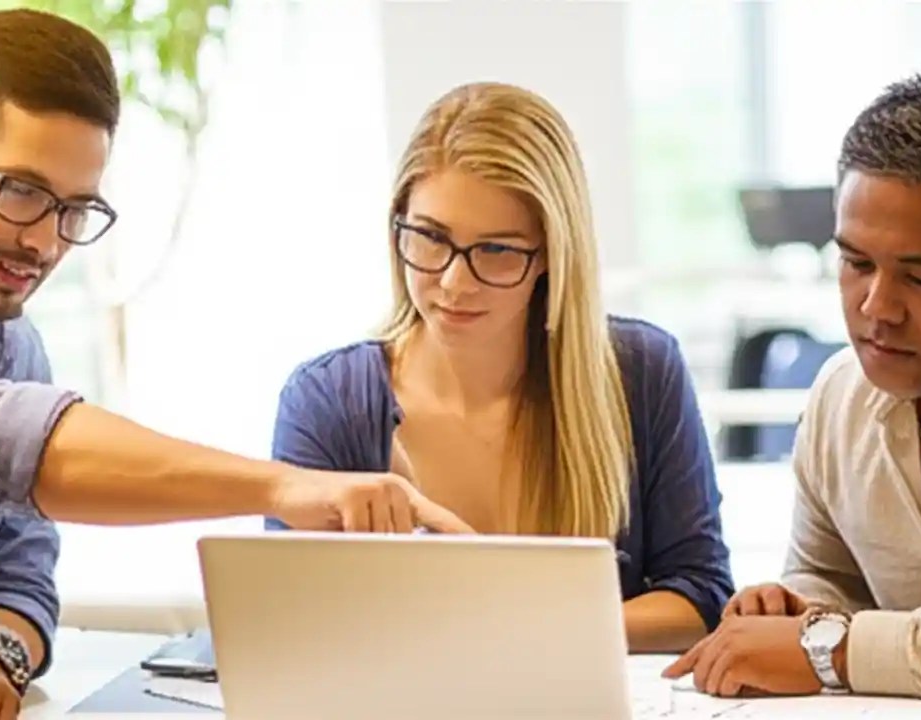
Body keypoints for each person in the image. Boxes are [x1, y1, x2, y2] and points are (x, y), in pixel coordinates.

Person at [0, 10, 466, 720]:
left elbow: (18, 563)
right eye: (20, 191)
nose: (44, 243)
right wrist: (287, 488)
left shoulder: (13, 347)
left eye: (74, 209)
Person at [268, 81, 734, 652]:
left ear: (551, 254)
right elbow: (287, 620)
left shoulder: (640, 372)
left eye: (496, 250)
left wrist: (509, 631)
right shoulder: (327, 399)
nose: (453, 282)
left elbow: (700, 597)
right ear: (398, 226)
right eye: (430, 238)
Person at [665, 71, 921, 703]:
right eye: (855, 263)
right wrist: (795, 612)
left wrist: (835, 650)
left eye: (920, 277)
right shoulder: (841, 398)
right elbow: (828, 578)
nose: (877, 307)